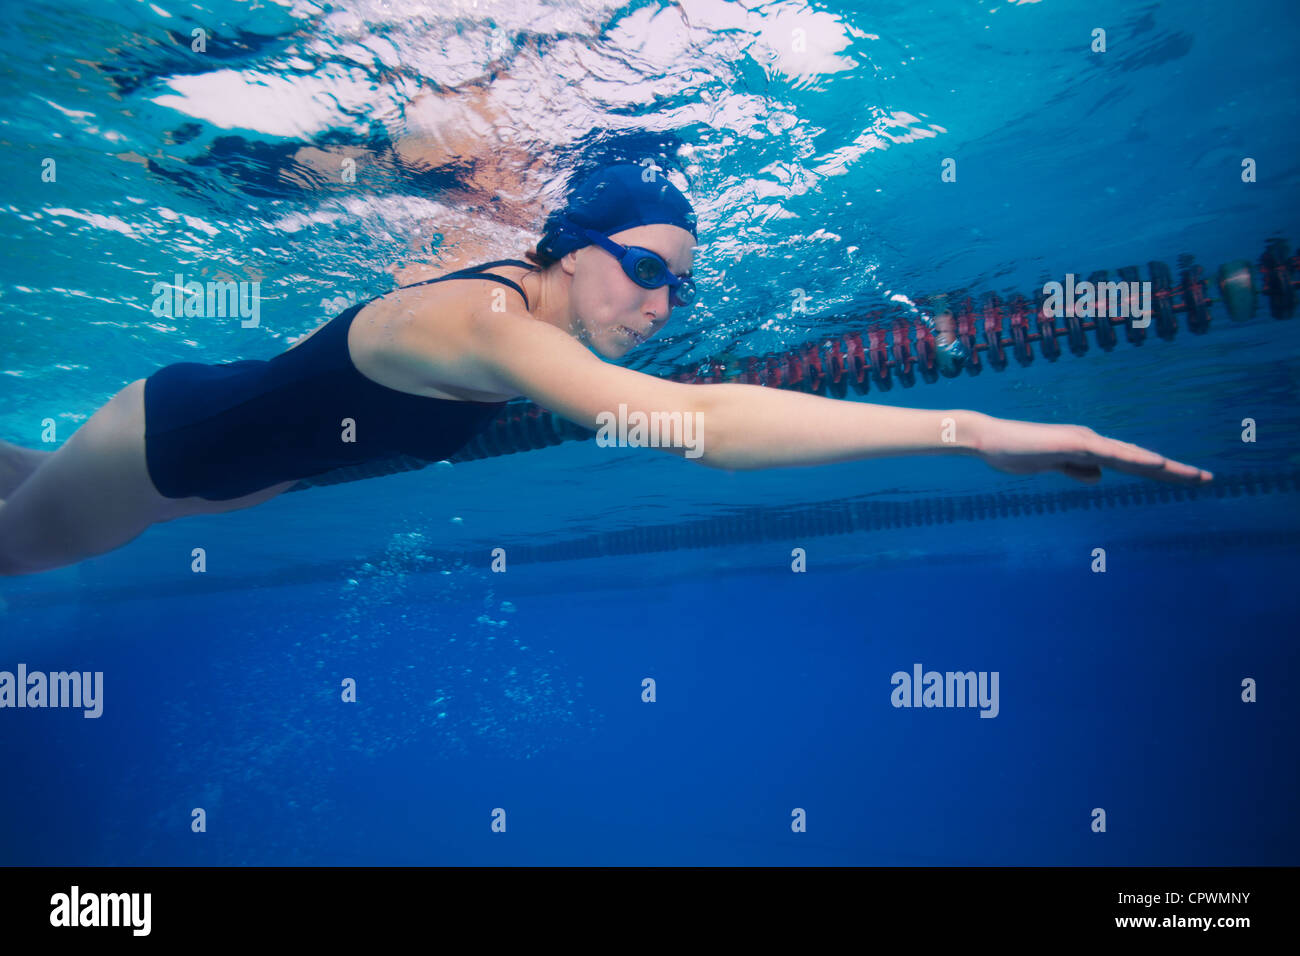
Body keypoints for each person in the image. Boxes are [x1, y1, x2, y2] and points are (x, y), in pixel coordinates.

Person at [0, 164, 1211, 577]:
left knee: (21, 484)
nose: (659, 300)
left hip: (206, 458)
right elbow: (696, 424)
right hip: (158, 453)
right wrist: (966, 427)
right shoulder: (484, 323)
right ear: (569, 249)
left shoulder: (534, 326)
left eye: (679, 281)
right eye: (640, 265)